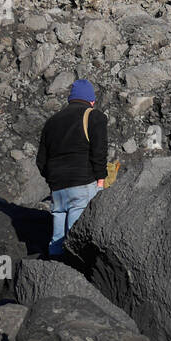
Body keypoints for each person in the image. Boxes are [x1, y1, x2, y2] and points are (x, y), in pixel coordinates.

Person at [36, 79, 108, 258]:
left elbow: (41, 161)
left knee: (57, 242)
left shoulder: (51, 122)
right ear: (91, 100)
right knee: (77, 239)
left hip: (58, 189)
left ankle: (53, 274)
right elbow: (99, 152)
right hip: (82, 184)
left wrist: (53, 179)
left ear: (71, 99)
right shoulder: (93, 116)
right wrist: (100, 180)